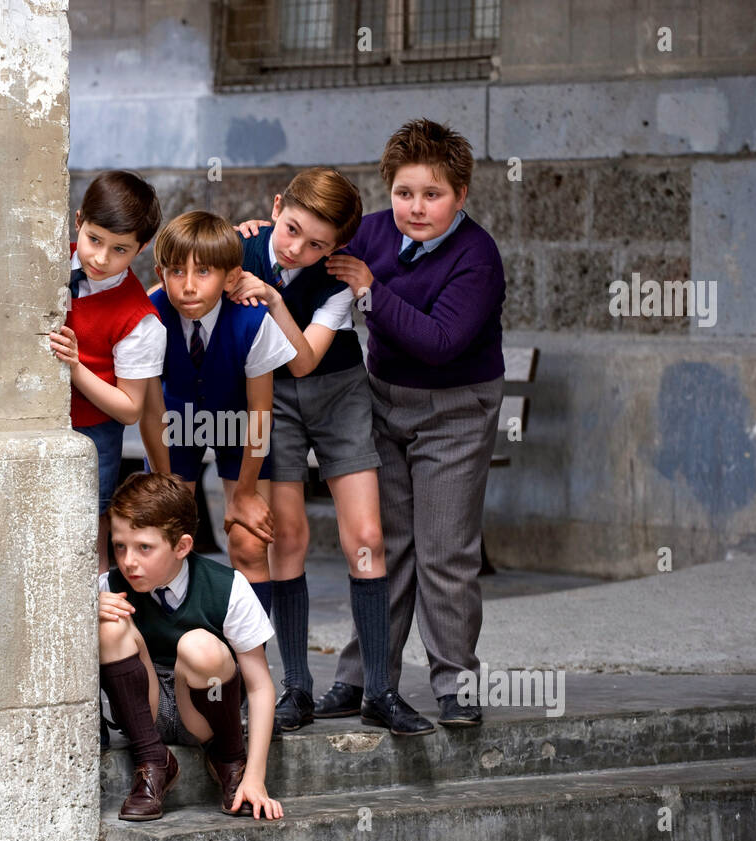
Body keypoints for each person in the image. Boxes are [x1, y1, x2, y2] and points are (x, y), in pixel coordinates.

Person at [231, 168, 434, 737]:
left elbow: (304, 359)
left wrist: (272, 297)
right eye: (292, 229)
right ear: (277, 207)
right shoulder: (238, 248)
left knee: (367, 540)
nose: (299, 248)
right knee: (288, 539)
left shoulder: (338, 278)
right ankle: (296, 687)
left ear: (337, 246)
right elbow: (178, 273)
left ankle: (380, 691)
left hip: (338, 390)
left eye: (318, 243)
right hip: (270, 398)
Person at [320, 119, 506, 728]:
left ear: (461, 195)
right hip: (384, 403)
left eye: (433, 194)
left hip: (455, 409)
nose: (416, 208)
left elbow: (439, 342)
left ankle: (455, 685)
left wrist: (371, 292)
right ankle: (364, 677)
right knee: (381, 547)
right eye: (404, 193)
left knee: (444, 551)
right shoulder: (372, 231)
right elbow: (306, 246)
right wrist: (256, 239)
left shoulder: (476, 257)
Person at [98, 471, 284, 821]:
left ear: (182, 546)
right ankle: (153, 763)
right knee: (108, 624)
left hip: (203, 709)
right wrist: (86, 611)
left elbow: (260, 687)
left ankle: (231, 760)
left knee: (200, 646)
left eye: (144, 548)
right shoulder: (109, 585)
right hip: (144, 710)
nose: (128, 561)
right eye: (120, 546)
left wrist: (257, 776)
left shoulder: (228, 587)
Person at [138, 211, 297, 617]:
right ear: (161, 272)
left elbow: (261, 412)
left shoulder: (251, 319)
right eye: (176, 271)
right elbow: (151, 408)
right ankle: (180, 646)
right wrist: (162, 483)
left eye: (204, 271)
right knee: (171, 536)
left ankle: (250, 658)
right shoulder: (150, 316)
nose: (188, 286)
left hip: (241, 427)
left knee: (248, 541)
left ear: (230, 277)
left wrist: (243, 494)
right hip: (176, 423)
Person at [49, 170, 164, 573]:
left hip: (93, 435)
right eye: (94, 239)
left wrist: (76, 368)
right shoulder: (44, 264)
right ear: (78, 221)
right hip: (38, 423)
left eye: (120, 249)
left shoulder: (140, 321)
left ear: (141, 249)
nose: (100, 258)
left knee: (86, 539)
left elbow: (131, 409)